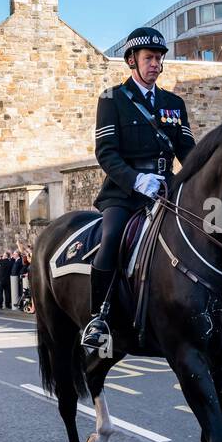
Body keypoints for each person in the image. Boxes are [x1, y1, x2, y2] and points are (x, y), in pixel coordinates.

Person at [82, 26, 195, 352]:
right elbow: (106, 152)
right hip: (125, 192)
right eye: (149, 58)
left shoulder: (173, 103)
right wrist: (135, 179)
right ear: (132, 61)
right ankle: (98, 317)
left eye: (159, 59)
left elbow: (188, 152)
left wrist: (195, 179)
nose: (155, 64)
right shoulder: (112, 99)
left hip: (165, 188)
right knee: (112, 238)